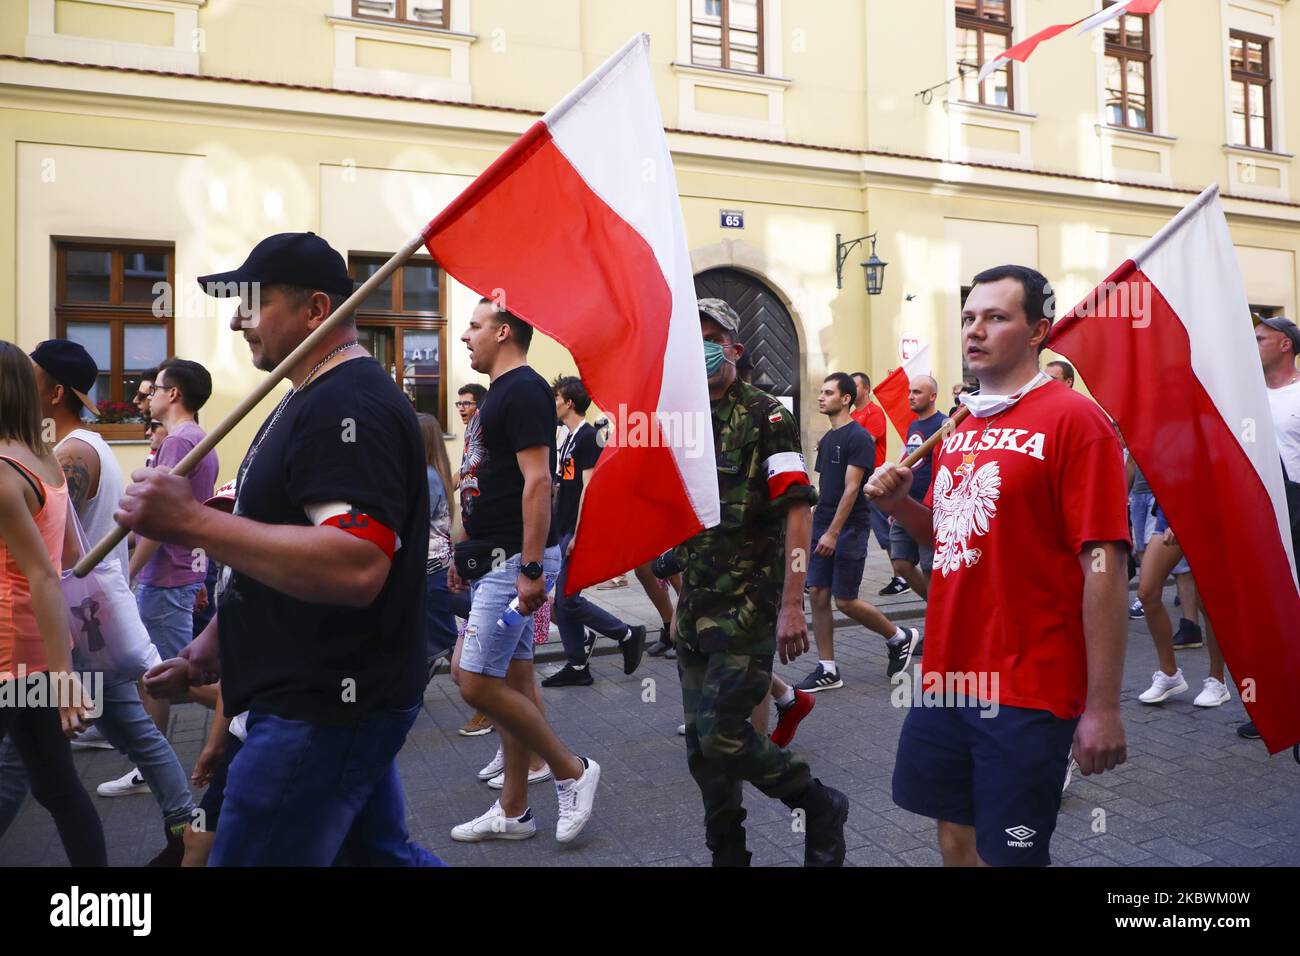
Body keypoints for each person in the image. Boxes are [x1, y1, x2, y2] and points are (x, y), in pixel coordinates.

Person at [134, 231, 442, 866]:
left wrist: (190, 522)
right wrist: (209, 647)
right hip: (322, 692)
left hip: (322, 701)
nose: (237, 319)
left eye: (254, 302)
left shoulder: (345, 403)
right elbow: (274, 552)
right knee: (378, 858)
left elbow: (356, 563)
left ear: (315, 309)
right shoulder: (310, 395)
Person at [869, 265, 1129, 866]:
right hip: (948, 674)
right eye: (968, 317)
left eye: (995, 317)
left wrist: (1104, 706)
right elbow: (949, 535)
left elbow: (1105, 568)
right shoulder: (963, 424)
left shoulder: (1075, 422)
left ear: (1038, 330)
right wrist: (900, 505)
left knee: (1007, 855)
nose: (974, 330)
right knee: (953, 840)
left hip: (1029, 684)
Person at [0, 340, 198, 865]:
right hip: (63, 627)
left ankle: (187, 824)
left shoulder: (65, 455)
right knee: (53, 767)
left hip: (51, 631)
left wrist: (62, 673)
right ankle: (184, 824)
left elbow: (50, 566)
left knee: (78, 753)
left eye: (36, 375)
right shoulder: (53, 454)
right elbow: (65, 551)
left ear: (54, 391)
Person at [673, 298, 848, 868]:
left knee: (723, 733)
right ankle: (728, 851)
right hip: (694, 605)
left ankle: (818, 803)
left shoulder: (767, 415)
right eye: (691, 336)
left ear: (734, 347)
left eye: (711, 335)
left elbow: (798, 511)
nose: (701, 345)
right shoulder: (683, 417)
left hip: (746, 607)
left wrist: (792, 606)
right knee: (703, 748)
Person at [448, 298, 599, 844]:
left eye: (474, 326)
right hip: (492, 558)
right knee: (511, 680)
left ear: (503, 332)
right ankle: (513, 811)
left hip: (513, 561)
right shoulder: (501, 396)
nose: (465, 336)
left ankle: (571, 771)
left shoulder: (525, 390)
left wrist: (532, 568)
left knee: (471, 680)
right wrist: (460, 557)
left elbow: (540, 483)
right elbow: (483, 484)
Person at [0, 340, 104, 866]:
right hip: (35, 648)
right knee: (56, 786)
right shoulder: (43, 461)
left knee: (54, 785)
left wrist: (65, 681)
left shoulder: (4, 471)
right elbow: (63, 557)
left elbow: (42, 574)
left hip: (12, 652)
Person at [104, 357, 219, 798]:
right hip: (179, 571)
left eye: (154, 390)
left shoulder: (178, 442)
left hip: (166, 573)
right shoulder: (196, 438)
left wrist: (128, 573)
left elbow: (157, 520)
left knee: (162, 672)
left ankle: (240, 713)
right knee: (158, 669)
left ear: (174, 395)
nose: (148, 396)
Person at [795, 373, 920, 693]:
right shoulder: (828, 439)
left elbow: (852, 490)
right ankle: (827, 667)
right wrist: (815, 518)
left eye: (828, 393)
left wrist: (833, 533)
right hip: (824, 522)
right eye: (821, 392)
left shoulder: (858, 437)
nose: (821, 397)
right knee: (819, 594)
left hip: (848, 528)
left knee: (846, 600)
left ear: (846, 398)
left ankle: (898, 636)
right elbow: (829, 486)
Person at [543, 375, 645, 687]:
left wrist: (578, 532)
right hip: (563, 528)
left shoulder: (589, 437)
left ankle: (626, 634)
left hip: (575, 530)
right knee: (563, 601)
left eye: (556, 397)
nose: (553, 402)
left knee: (568, 600)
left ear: (569, 402)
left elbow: (590, 487)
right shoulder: (568, 437)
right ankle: (577, 665)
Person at [1238, 316, 1300, 740]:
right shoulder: (1246, 397)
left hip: (1296, 510)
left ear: (1285, 344)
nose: (1252, 342)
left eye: (1260, 337)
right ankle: (1277, 707)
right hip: (1257, 514)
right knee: (1270, 612)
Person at [1135, 502, 1230, 708]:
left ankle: (1217, 680)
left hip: (1202, 508)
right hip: (1169, 508)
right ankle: (1169, 674)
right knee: (1147, 592)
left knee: (1208, 599)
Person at [452, 382, 493, 736]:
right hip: (475, 543)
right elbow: (465, 476)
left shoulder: (484, 432)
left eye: (466, 403)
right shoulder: (469, 435)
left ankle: (489, 711)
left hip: (492, 549)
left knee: (474, 664)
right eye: (458, 403)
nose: (461, 408)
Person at [887, 375, 947, 601]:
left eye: (917, 392)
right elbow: (908, 461)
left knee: (930, 568)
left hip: (929, 509)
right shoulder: (913, 424)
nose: (910, 396)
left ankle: (936, 626)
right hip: (906, 506)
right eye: (910, 392)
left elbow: (944, 465)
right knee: (901, 563)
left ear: (932, 396)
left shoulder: (943, 425)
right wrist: (895, 505)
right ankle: (936, 609)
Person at [418, 413, 458, 683]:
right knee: (432, 637)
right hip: (434, 568)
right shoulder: (431, 473)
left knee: (448, 641)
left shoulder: (428, 476)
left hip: (432, 570)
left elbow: (414, 524)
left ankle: (487, 697)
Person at [850, 372, 896, 590]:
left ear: (866, 389)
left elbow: (867, 441)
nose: (850, 389)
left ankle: (901, 576)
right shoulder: (851, 414)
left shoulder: (874, 412)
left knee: (882, 531)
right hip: (854, 478)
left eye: (855, 386)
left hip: (871, 479)